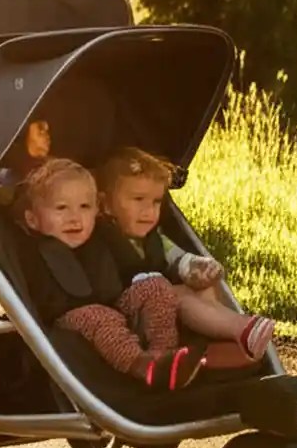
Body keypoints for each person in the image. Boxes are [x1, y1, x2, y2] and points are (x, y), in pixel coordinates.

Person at [16, 158, 212, 390]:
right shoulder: (31, 250)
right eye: (61, 208)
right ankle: (142, 365)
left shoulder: (103, 237)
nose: (74, 218)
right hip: (66, 318)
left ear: (97, 209)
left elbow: (134, 267)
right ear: (32, 219)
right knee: (99, 317)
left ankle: (165, 357)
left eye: (84, 207)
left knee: (156, 285)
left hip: (115, 303)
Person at [93, 147, 275, 368]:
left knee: (203, 285)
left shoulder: (155, 239)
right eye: (138, 199)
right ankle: (240, 328)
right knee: (177, 295)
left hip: (162, 312)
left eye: (156, 202)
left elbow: (180, 259)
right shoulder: (99, 237)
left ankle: (212, 348)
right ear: (105, 204)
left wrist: (199, 269)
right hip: (128, 320)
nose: (149, 211)